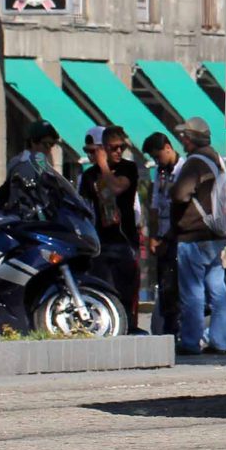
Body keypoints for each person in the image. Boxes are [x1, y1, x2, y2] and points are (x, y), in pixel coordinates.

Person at [168, 117, 226, 356]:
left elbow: (181, 195)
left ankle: (190, 341)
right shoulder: (217, 159)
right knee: (217, 290)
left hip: (193, 235)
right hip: (214, 233)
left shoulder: (194, 163)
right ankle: (220, 341)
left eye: (184, 136)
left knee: (192, 292)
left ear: (190, 138)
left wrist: (171, 189)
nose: (182, 141)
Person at [79, 125, 142, 331]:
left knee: (126, 288)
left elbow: (116, 188)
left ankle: (128, 326)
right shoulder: (89, 176)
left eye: (121, 148)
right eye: (113, 148)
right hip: (101, 240)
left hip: (124, 240)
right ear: (103, 148)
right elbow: (84, 206)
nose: (118, 152)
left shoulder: (128, 168)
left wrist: (104, 165)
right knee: (103, 287)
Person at [140, 131, 181, 338]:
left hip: (178, 236)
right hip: (163, 235)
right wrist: (154, 235)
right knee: (164, 284)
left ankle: (177, 329)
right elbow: (155, 205)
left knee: (176, 285)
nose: (158, 161)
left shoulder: (184, 168)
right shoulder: (161, 173)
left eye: (158, 155)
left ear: (168, 147)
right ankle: (168, 328)